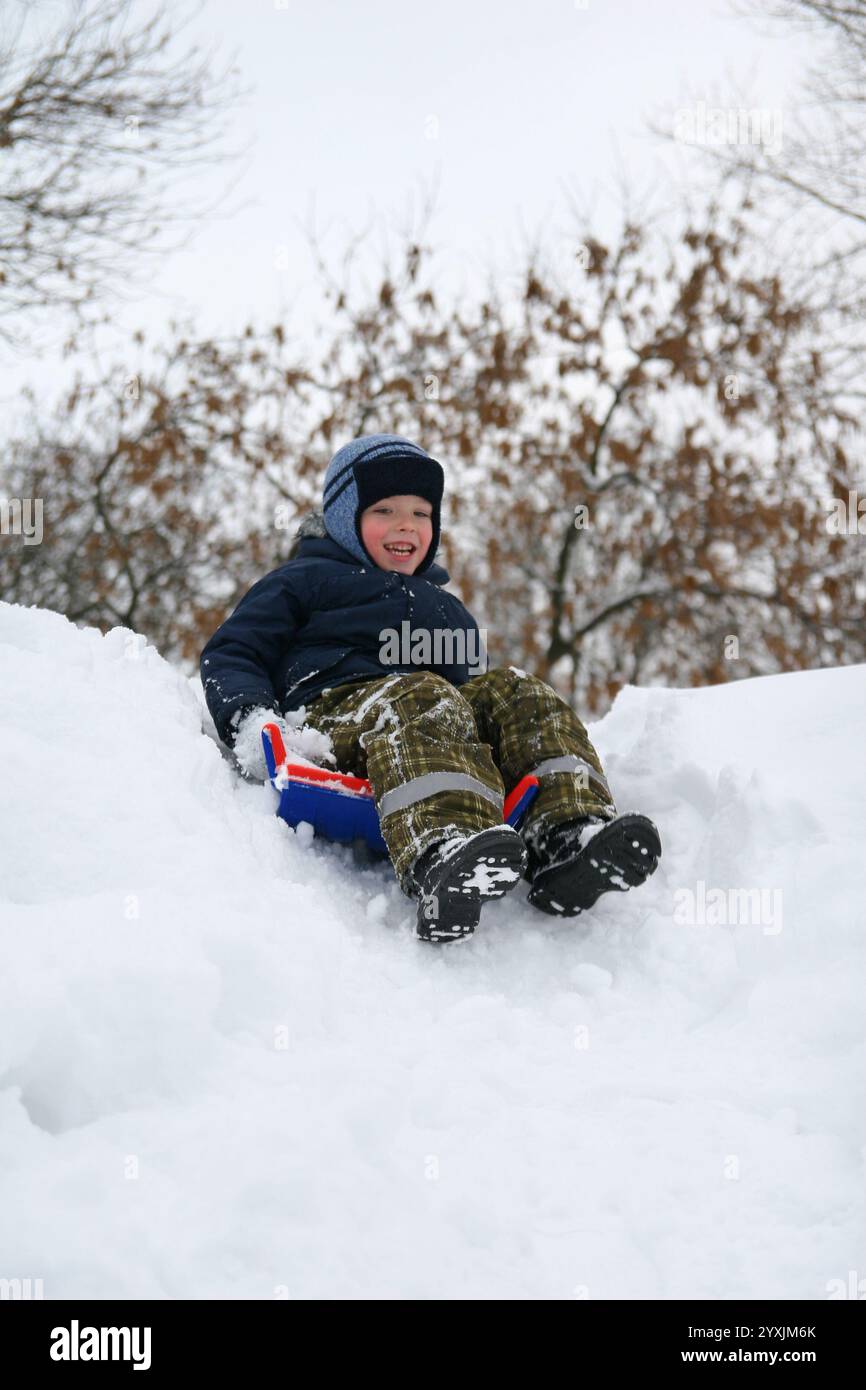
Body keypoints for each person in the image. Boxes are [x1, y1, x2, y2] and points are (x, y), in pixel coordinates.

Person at [200, 433, 661, 942]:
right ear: (343, 520)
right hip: (333, 716)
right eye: (385, 510)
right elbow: (234, 652)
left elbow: (474, 699)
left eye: (422, 513)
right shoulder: (303, 581)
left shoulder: (448, 610)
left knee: (517, 690)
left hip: (425, 721)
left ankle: (568, 836)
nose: (406, 525)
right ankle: (442, 850)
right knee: (424, 693)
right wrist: (253, 721)